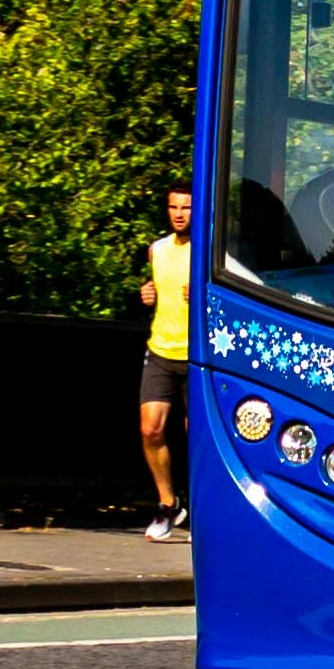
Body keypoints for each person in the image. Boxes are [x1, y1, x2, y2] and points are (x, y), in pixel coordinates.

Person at [132, 183, 194, 541]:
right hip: (160, 350)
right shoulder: (156, 250)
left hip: (196, 356)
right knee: (150, 430)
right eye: (174, 207)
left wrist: (204, 293)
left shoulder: (208, 251)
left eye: (186, 207)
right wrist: (145, 293)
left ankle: (203, 509)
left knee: (196, 436)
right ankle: (168, 506)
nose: (179, 214)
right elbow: (153, 291)